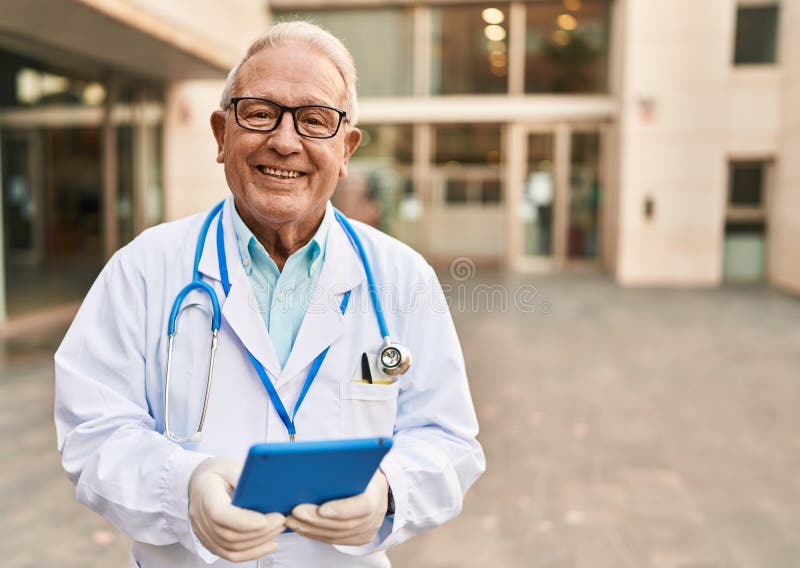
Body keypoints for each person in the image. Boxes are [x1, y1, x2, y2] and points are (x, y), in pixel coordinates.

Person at [54, 21, 485, 567]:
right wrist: (187, 487)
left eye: (315, 120)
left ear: (346, 147)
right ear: (220, 134)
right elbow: (93, 432)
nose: (285, 141)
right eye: (259, 113)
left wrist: (389, 491)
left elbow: (448, 438)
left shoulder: (401, 278)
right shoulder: (144, 269)